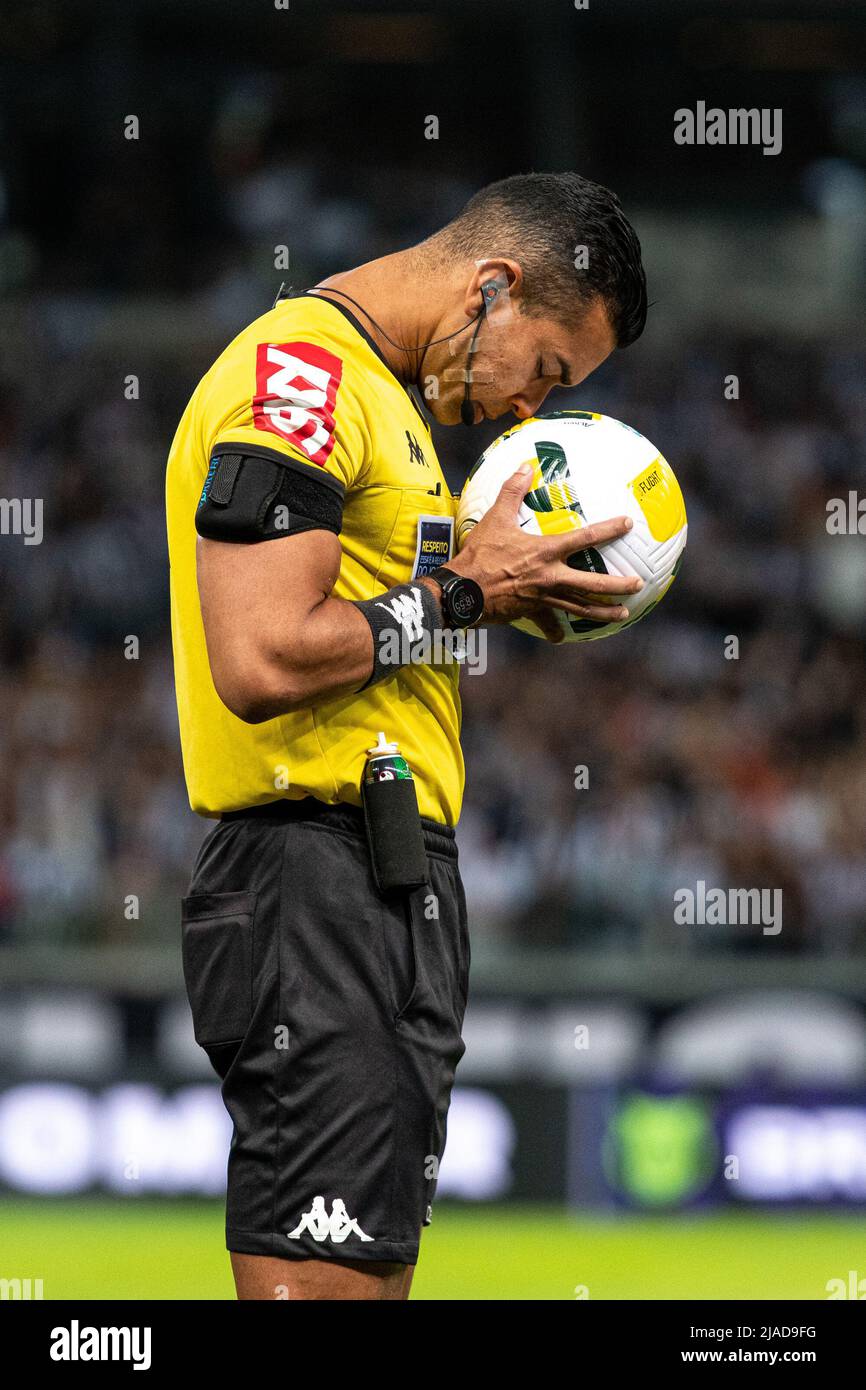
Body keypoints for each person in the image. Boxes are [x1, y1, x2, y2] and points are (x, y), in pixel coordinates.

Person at [165, 171, 647, 1300]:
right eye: (544, 370)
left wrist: (472, 599)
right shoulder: (303, 377)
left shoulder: (387, 406)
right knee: (324, 1284)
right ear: (492, 287)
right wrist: (463, 595)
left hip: (380, 883)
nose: (528, 409)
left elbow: (377, 625)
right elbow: (260, 656)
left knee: (367, 1280)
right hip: (313, 878)